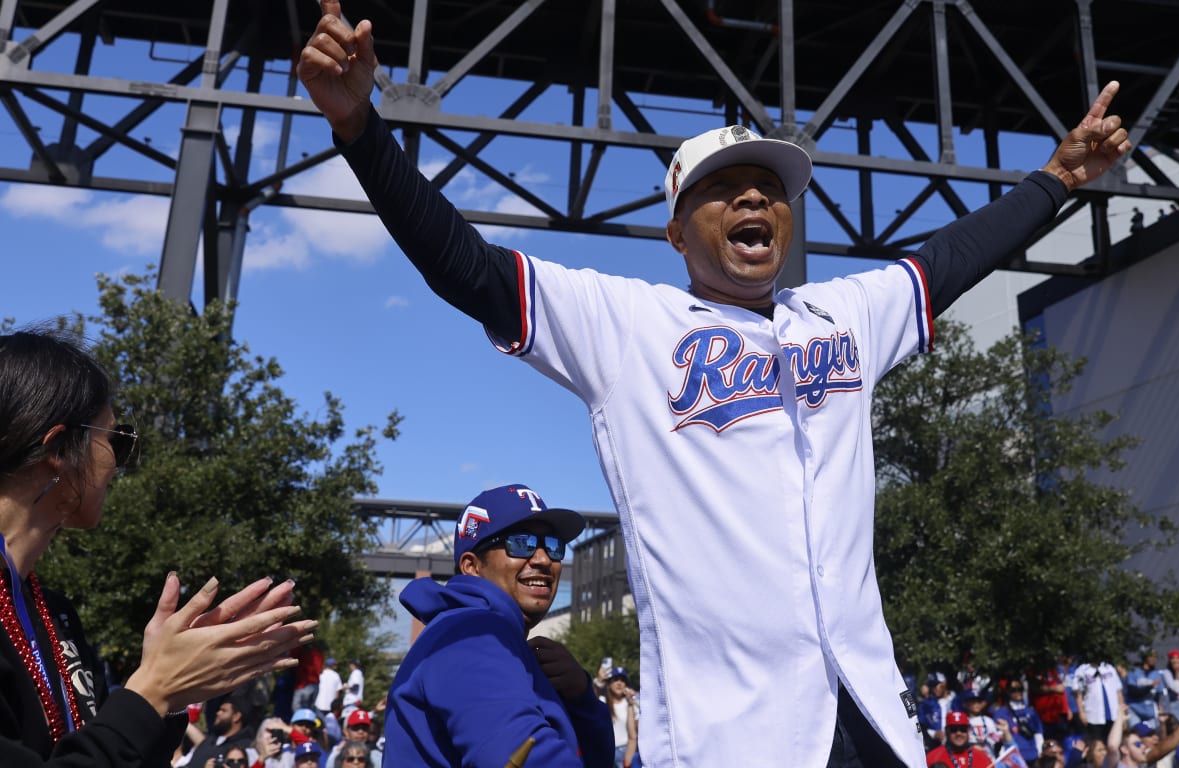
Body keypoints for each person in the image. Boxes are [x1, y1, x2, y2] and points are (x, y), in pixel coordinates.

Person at [298, 2, 1131, 762]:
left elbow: (949, 261)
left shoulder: (843, 316)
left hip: (869, 715)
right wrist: (360, 129)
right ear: (676, 230)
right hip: (731, 733)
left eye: (770, 191)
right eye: (725, 190)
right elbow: (467, 269)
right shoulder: (627, 325)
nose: (754, 201)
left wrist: (1055, 179)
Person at [0, 327, 316, 767]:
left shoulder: (54, 615)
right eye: (117, 440)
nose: (121, 463)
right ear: (58, 448)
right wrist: (153, 689)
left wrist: (172, 690)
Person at [382, 484, 611, 767]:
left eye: (553, 546)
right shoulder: (471, 633)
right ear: (472, 566)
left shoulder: (492, 638)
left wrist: (581, 700)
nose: (543, 559)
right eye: (521, 542)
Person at [928, 711, 996, 768]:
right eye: (953, 729)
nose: (958, 733)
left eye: (963, 729)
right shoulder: (933, 758)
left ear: (969, 730)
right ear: (946, 731)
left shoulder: (983, 757)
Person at [600, 667, 638, 768]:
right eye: (615, 679)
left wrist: (632, 703)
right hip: (606, 752)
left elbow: (634, 734)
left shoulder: (632, 704)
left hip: (626, 752)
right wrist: (598, 682)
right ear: (609, 683)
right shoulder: (602, 701)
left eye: (623, 680)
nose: (619, 683)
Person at [1127, 654, 1163, 725]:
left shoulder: (1157, 674)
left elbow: (1159, 694)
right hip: (1135, 708)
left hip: (1151, 710)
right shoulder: (1134, 672)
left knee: (1152, 733)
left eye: (1155, 656)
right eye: (1151, 656)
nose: (1153, 658)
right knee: (1137, 733)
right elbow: (1133, 693)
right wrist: (1150, 686)